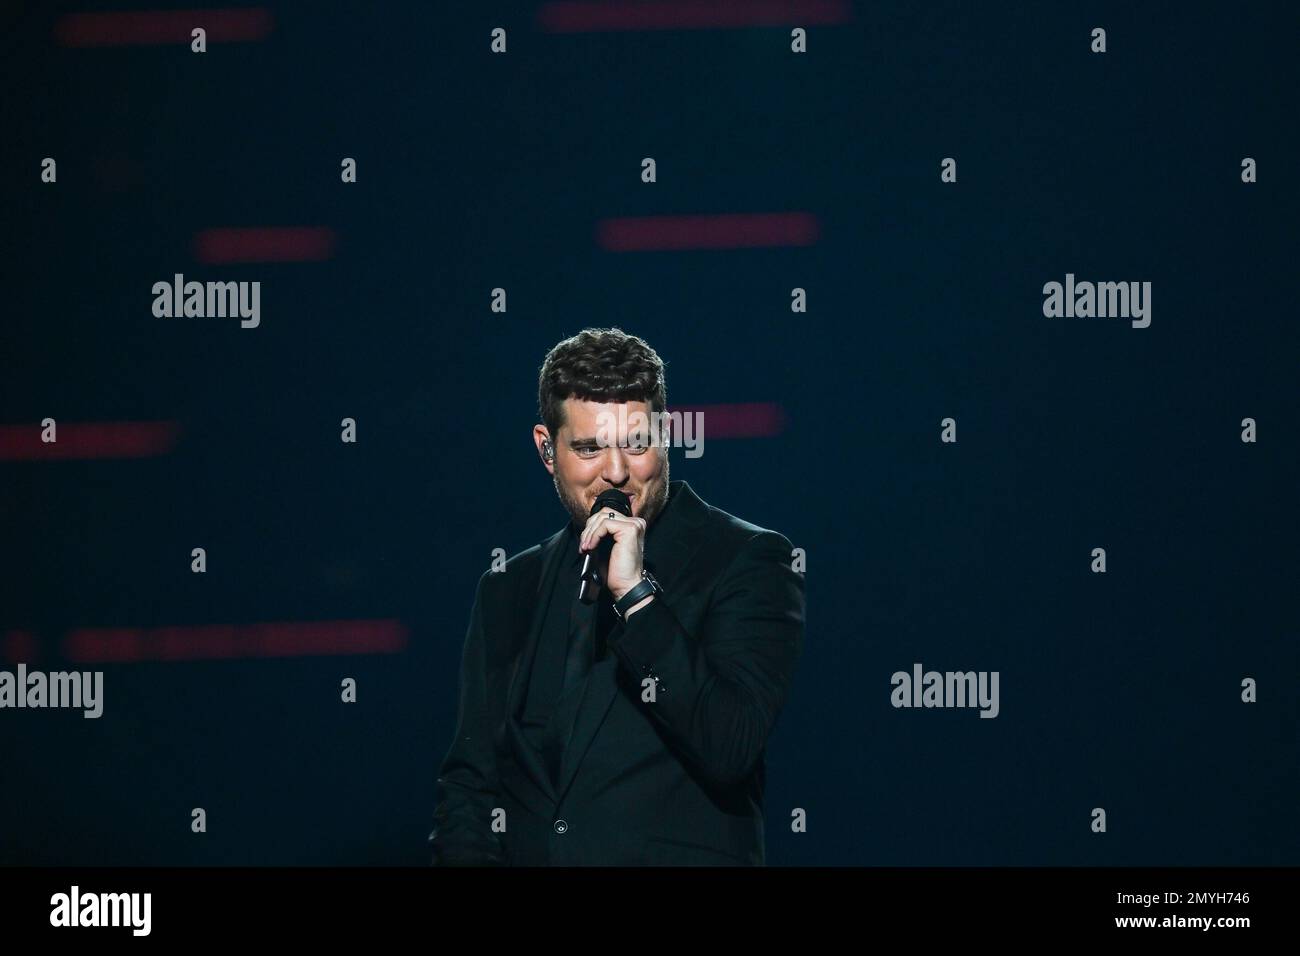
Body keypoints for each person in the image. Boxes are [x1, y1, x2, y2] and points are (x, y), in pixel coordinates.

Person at [428, 327, 804, 865]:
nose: (617, 471)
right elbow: (470, 787)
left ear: (666, 435)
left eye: (636, 442)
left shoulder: (748, 559)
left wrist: (636, 596)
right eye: (588, 447)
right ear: (546, 451)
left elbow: (730, 747)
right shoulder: (509, 588)